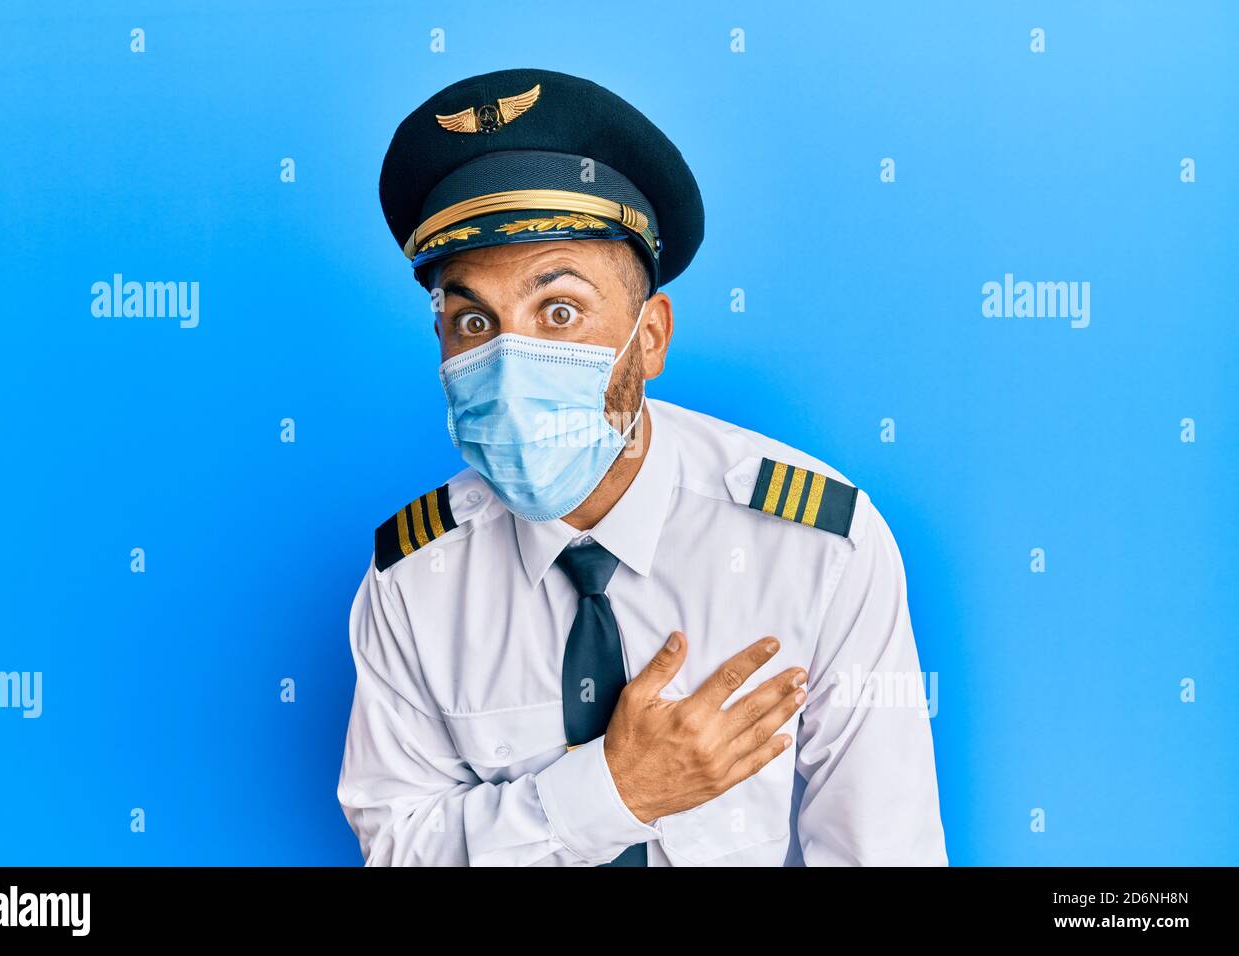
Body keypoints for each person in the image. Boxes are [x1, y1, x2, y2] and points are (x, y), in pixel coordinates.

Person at [336, 67, 948, 866]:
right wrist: (612, 792)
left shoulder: (818, 546)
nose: (510, 361)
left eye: (559, 310)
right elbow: (398, 846)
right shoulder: (414, 577)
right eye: (471, 318)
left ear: (650, 336)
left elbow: (883, 852)